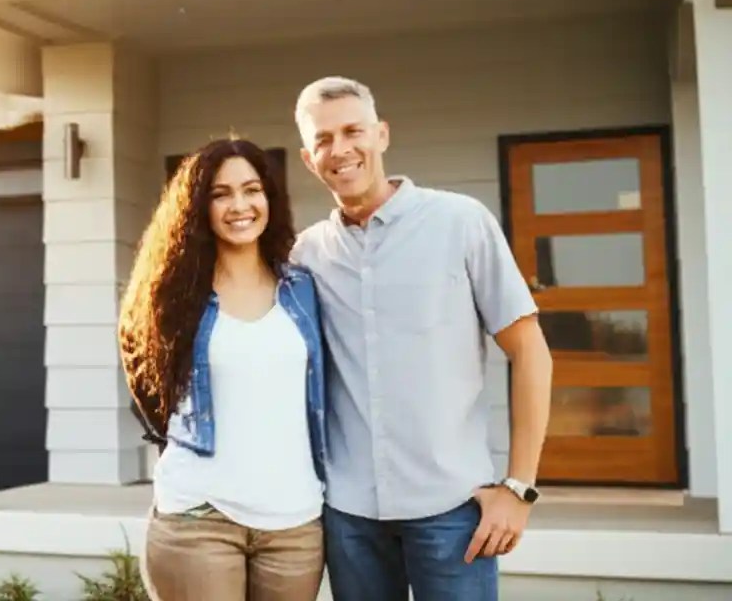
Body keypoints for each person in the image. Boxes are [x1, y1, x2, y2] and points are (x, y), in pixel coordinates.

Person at [289, 76, 554, 600]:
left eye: (352, 131)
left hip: (453, 509)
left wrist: (519, 487)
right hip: (350, 516)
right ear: (307, 157)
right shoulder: (306, 255)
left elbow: (529, 351)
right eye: (323, 140)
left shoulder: (460, 222)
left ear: (381, 134)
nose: (340, 150)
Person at [119, 137, 329, 601]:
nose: (240, 205)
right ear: (198, 207)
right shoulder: (174, 296)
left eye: (252, 190)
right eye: (220, 194)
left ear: (269, 198)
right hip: (199, 519)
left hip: (294, 525)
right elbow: (147, 384)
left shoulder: (304, 290)